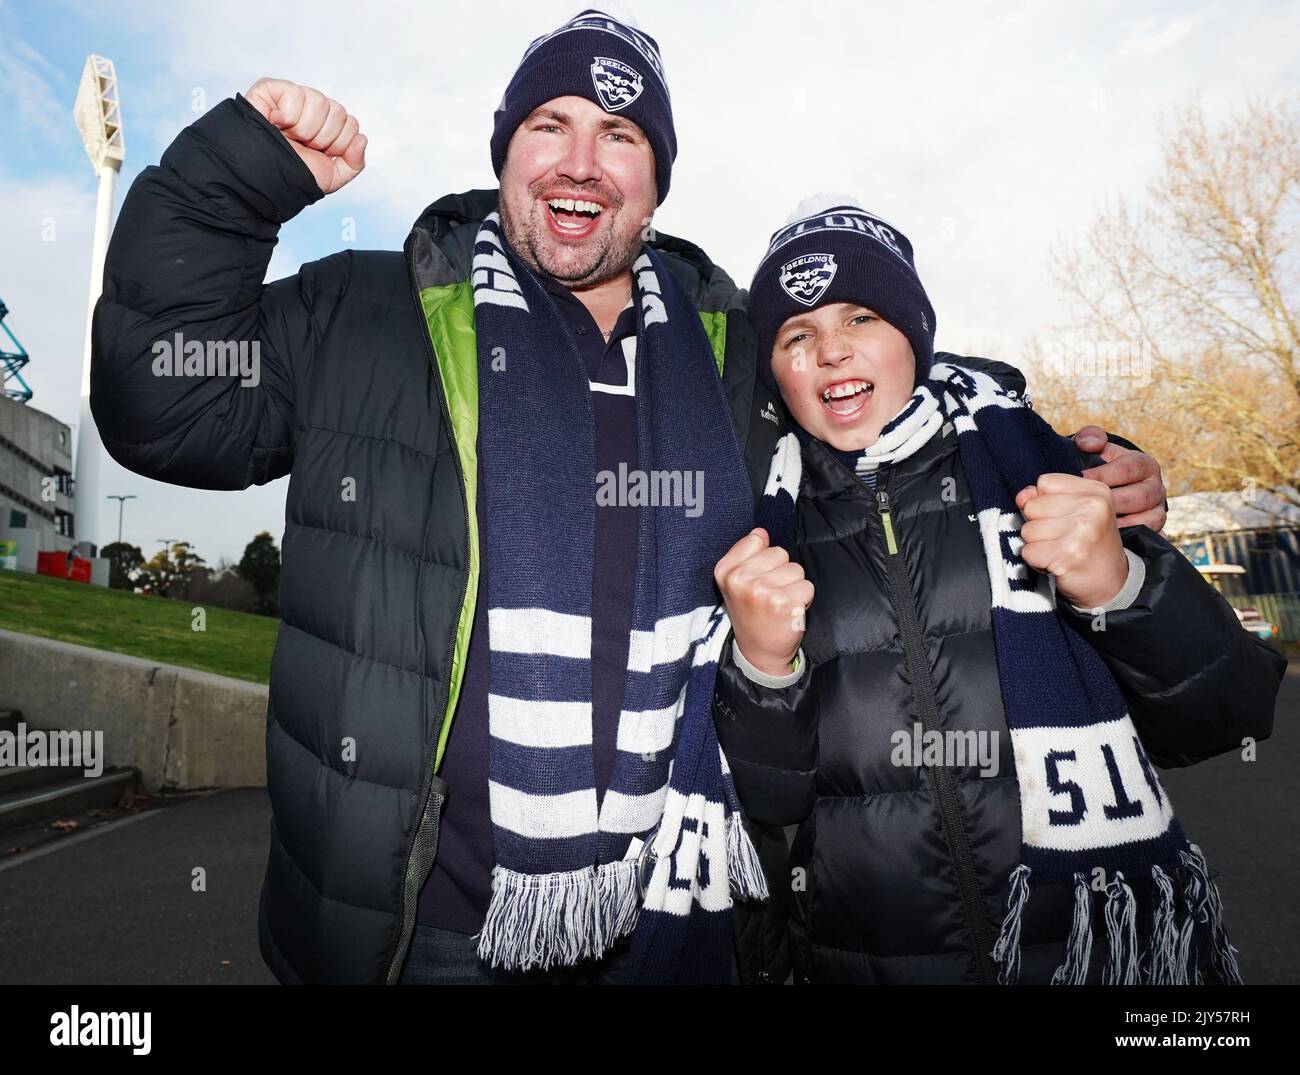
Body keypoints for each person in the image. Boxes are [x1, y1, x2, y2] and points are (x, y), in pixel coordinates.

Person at [90, 10, 1170, 985]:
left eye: (621, 136)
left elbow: (895, 415)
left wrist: (1084, 464)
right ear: (504, 151)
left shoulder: (739, 352)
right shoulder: (368, 311)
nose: (582, 161)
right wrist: (235, 175)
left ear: (655, 179)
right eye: (550, 125)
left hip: (677, 913)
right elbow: (161, 408)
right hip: (419, 924)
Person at [711, 198, 1286, 985]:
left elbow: (1227, 715)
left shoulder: (1045, 468)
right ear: (776, 370)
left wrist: (1116, 588)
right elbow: (760, 810)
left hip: (1085, 953)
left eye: (861, 318)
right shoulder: (758, 532)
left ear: (913, 334)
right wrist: (762, 669)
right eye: (797, 335)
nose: (832, 353)